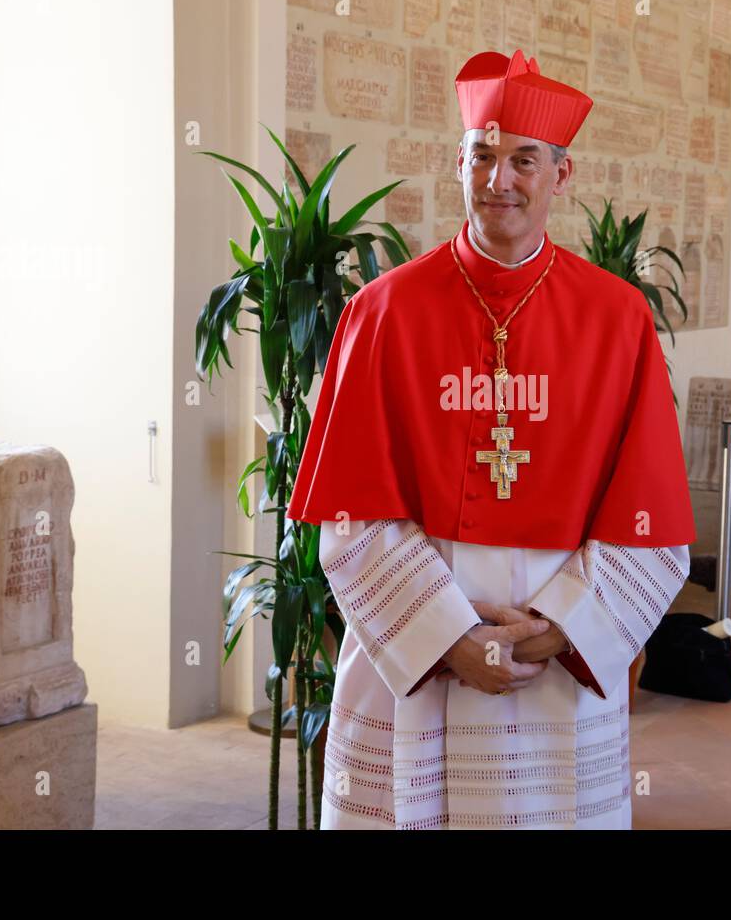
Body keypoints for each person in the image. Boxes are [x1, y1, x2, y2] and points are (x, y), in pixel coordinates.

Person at [287, 48, 695, 829]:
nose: (499, 178)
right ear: (460, 163)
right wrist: (446, 637)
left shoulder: (617, 321)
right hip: (420, 658)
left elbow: (651, 521)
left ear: (560, 175)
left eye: (523, 160)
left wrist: (561, 629)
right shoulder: (381, 313)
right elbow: (350, 518)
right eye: (482, 156)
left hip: (555, 661)